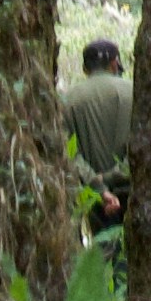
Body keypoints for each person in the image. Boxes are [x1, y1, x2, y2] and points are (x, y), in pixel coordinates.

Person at [60, 37, 140, 238]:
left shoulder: (68, 100)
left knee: (102, 259)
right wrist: (116, 175)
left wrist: (99, 185)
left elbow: (68, 153)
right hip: (133, 192)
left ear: (85, 69)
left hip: (94, 198)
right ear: (115, 64)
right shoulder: (134, 92)